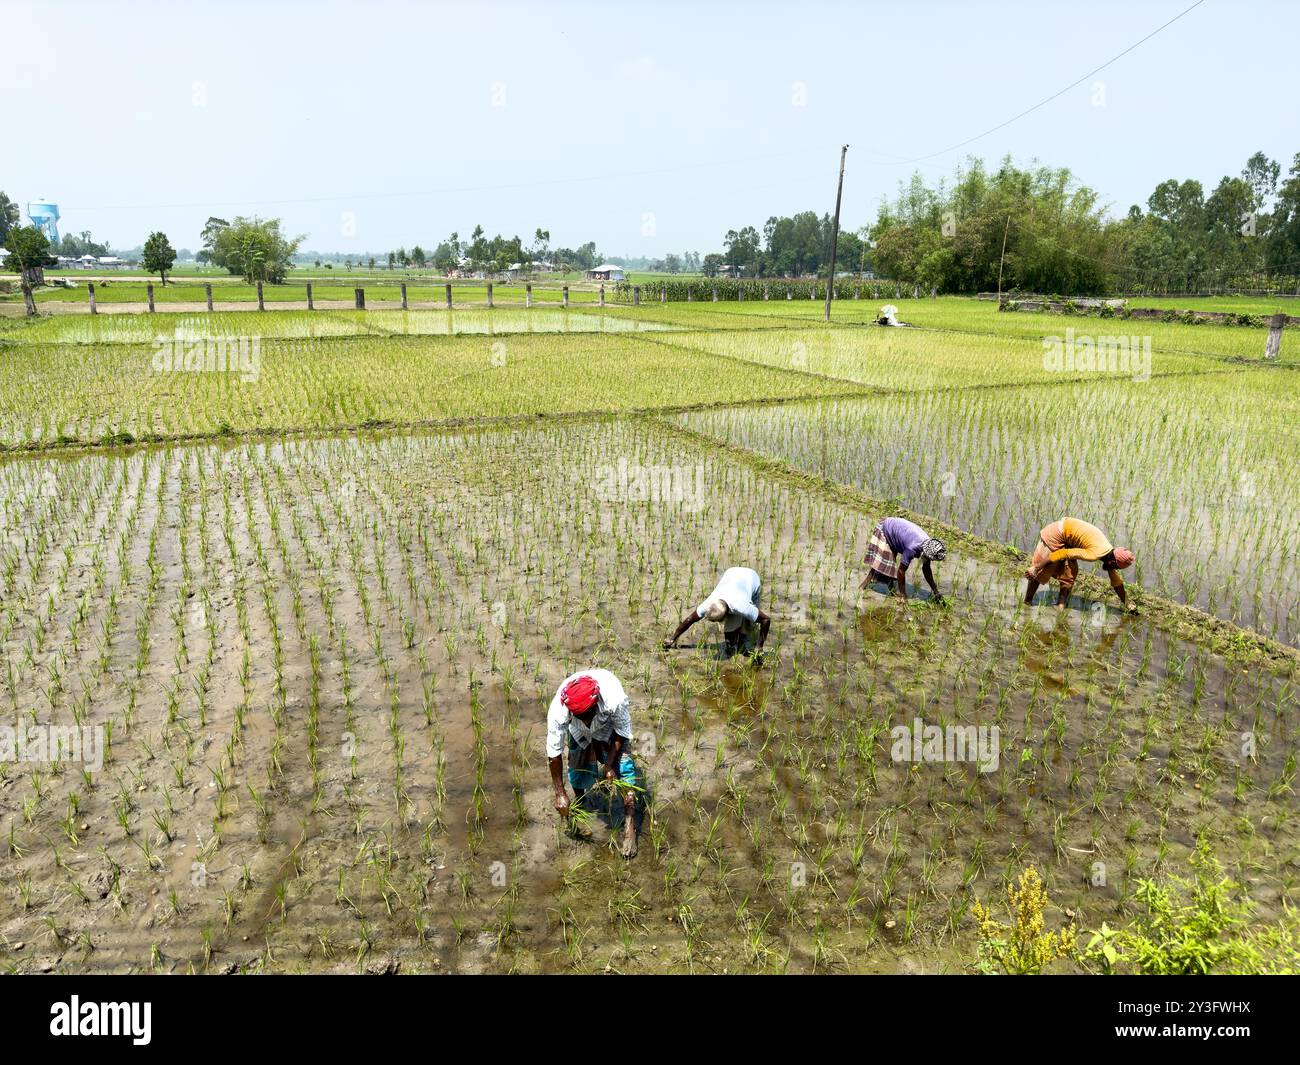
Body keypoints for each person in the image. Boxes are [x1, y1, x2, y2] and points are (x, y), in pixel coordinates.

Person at [546, 669, 642, 858]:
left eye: (588, 714)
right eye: (581, 716)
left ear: (596, 702)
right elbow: (554, 753)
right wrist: (559, 792)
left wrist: (609, 765)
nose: (587, 720)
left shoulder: (614, 699)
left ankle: (630, 828)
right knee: (577, 765)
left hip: (609, 726)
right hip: (577, 732)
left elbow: (622, 731)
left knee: (625, 770)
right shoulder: (559, 711)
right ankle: (580, 804)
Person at [1022, 517, 1136, 613]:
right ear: (1112, 561)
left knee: (1070, 573)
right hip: (1057, 532)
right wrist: (1036, 568)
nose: (1114, 570)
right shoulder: (1095, 553)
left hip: (1069, 538)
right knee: (1042, 570)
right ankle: (1027, 602)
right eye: (1116, 567)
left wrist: (1127, 604)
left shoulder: (1109, 554)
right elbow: (1062, 553)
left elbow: (1117, 583)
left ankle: (1060, 605)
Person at [664, 565, 771, 656]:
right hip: (732, 573)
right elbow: (690, 619)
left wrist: (759, 646)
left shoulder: (742, 607)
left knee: (748, 623)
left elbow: (766, 620)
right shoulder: (709, 603)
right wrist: (672, 638)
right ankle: (735, 642)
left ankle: (744, 639)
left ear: (725, 616)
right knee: (730, 636)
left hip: (751, 578)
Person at [860, 516, 946, 603]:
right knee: (883, 564)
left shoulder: (928, 545)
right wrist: (903, 595)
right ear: (926, 553)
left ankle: (889, 589)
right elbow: (901, 571)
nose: (931, 560)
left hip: (896, 530)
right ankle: (862, 587)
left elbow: (926, 569)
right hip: (885, 529)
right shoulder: (912, 548)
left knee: (889, 565)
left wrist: (936, 592)